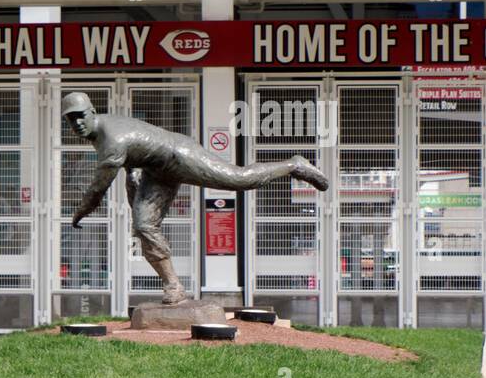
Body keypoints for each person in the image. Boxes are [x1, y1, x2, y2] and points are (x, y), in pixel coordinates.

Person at [62, 91, 330, 304]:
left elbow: (98, 189)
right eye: (70, 119)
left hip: (178, 154)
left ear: (93, 112)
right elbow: (135, 153)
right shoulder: (103, 135)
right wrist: (133, 180)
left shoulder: (111, 140)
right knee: (144, 226)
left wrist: (80, 212)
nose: (77, 123)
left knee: (238, 179)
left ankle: (294, 165)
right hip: (156, 170)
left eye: (80, 116)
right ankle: (173, 287)